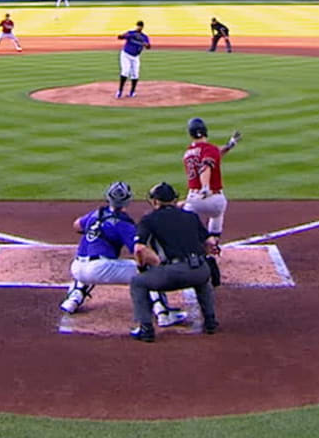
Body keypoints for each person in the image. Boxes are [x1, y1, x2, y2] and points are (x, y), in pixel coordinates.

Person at [59, 181, 186, 327]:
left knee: (89, 267)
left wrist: (96, 229)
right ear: (128, 200)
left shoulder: (97, 213)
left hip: (76, 268)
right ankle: (163, 313)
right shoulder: (123, 223)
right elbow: (140, 251)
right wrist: (159, 263)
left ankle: (73, 299)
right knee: (149, 271)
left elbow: (77, 225)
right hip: (100, 268)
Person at [128, 182, 221, 342]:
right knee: (202, 279)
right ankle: (210, 321)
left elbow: (139, 249)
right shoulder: (191, 216)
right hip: (199, 270)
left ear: (155, 201)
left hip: (172, 275)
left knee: (138, 282)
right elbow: (211, 242)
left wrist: (147, 265)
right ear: (174, 199)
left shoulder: (148, 219)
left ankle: (146, 329)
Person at [181, 117, 239, 289]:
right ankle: (213, 247)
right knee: (217, 214)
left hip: (193, 199)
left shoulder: (188, 152)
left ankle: (191, 256)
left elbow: (214, 154)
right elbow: (206, 165)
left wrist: (228, 146)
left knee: (188, 226)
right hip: (213, 197)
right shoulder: (210, 149)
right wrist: (205, 186)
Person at [116, 20, 150, 98]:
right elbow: (119, 37)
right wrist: (122, 35)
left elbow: (149, 47)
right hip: (126, 55)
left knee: (135, 74)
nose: (139, 27)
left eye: (140, 26)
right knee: (125, 71)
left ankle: (132, 92)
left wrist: (146, 44)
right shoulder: (131, 33)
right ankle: (120, 91)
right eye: (138, 25)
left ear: (142, 27)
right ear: (136, 26)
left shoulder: (145, 37)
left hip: (135, 57)